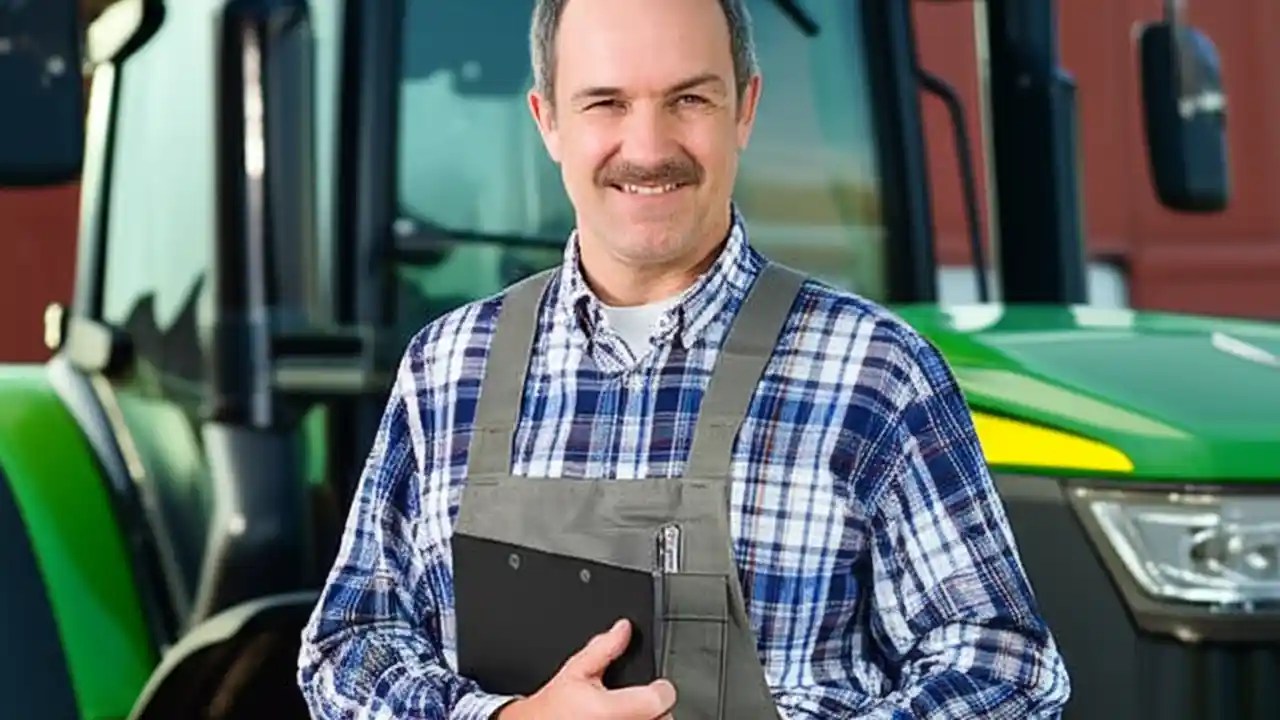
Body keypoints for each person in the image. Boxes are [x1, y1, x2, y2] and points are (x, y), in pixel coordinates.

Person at [297, 0, 1072, 717]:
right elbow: (348, 646)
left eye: (689, 100)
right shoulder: (447, 369)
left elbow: (1006, 668)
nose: (649, 148)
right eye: (606, 103)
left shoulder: (875, 373)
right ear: (548, 122)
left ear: (746, 109)